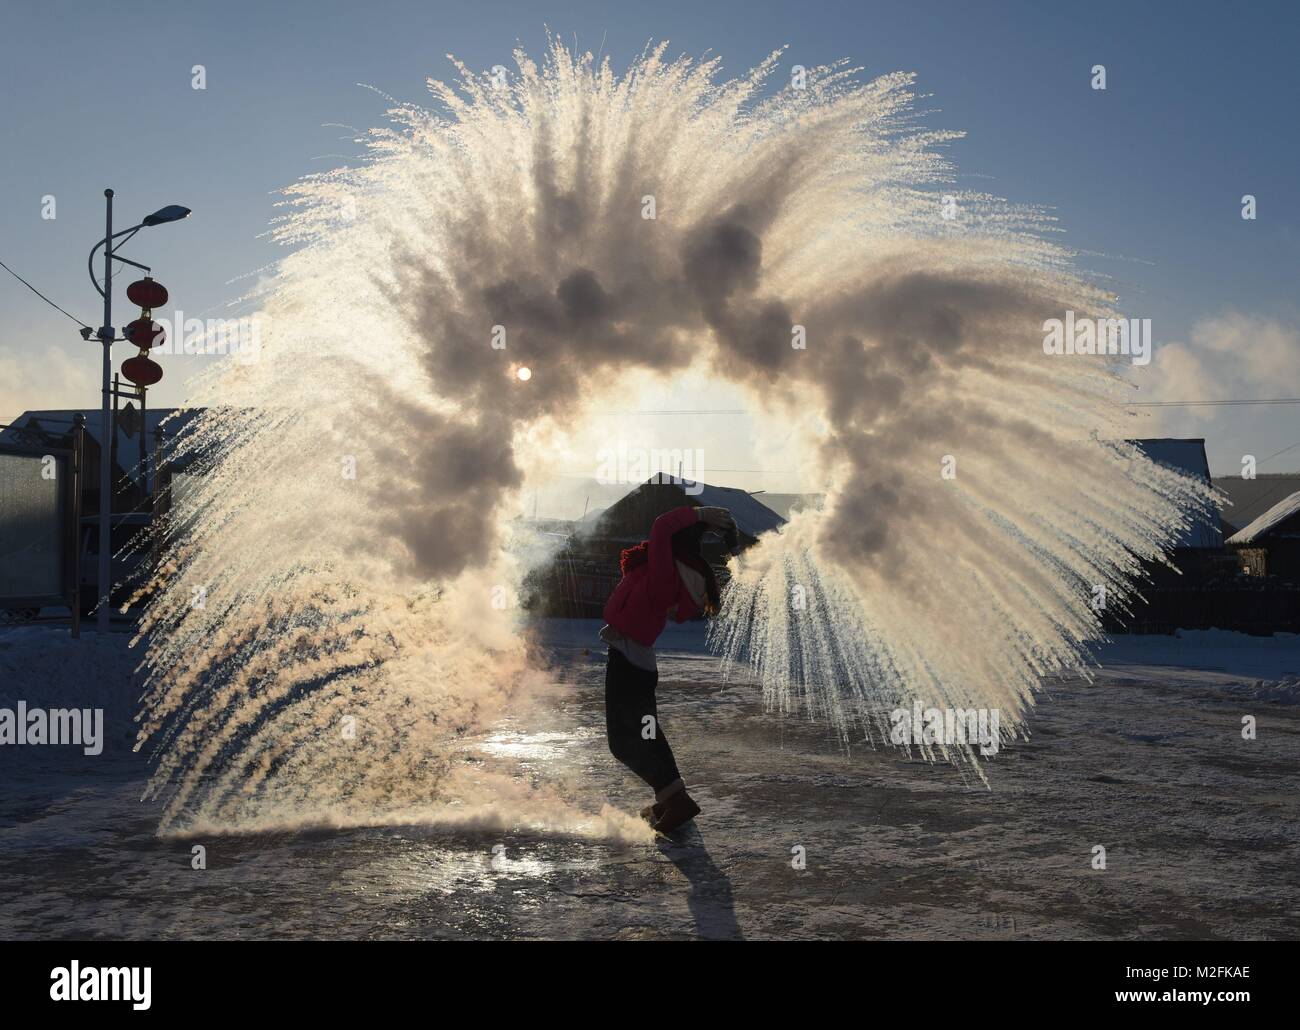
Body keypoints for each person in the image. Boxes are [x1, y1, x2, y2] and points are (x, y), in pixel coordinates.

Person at [599, 504, 737, 833]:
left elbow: (662, 524)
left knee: (623, 744)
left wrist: (699, 515)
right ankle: (671, 797)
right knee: (648, 733)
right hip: (636, 660)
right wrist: (702, 523)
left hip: (629, 660)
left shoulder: (666, 571)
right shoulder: (667, 570)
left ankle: (675, 800)